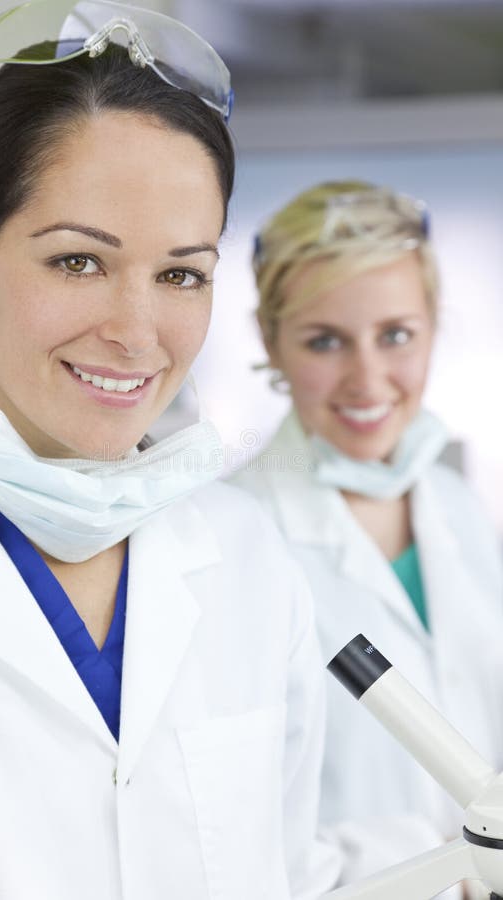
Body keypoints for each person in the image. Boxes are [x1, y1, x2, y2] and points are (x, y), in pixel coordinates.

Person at [0, 5, 341, 899]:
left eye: (181, 273)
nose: (136, 335)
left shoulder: (252, 564)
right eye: (78, 262)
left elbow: (292, 871)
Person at [232, 180, 503, 899]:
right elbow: (228, 824)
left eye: (396, 335)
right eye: (326, 341)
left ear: (433, 328)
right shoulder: (231, 536)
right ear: (270, 340)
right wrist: (446, 860)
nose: (368, 379)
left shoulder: (456, 507)